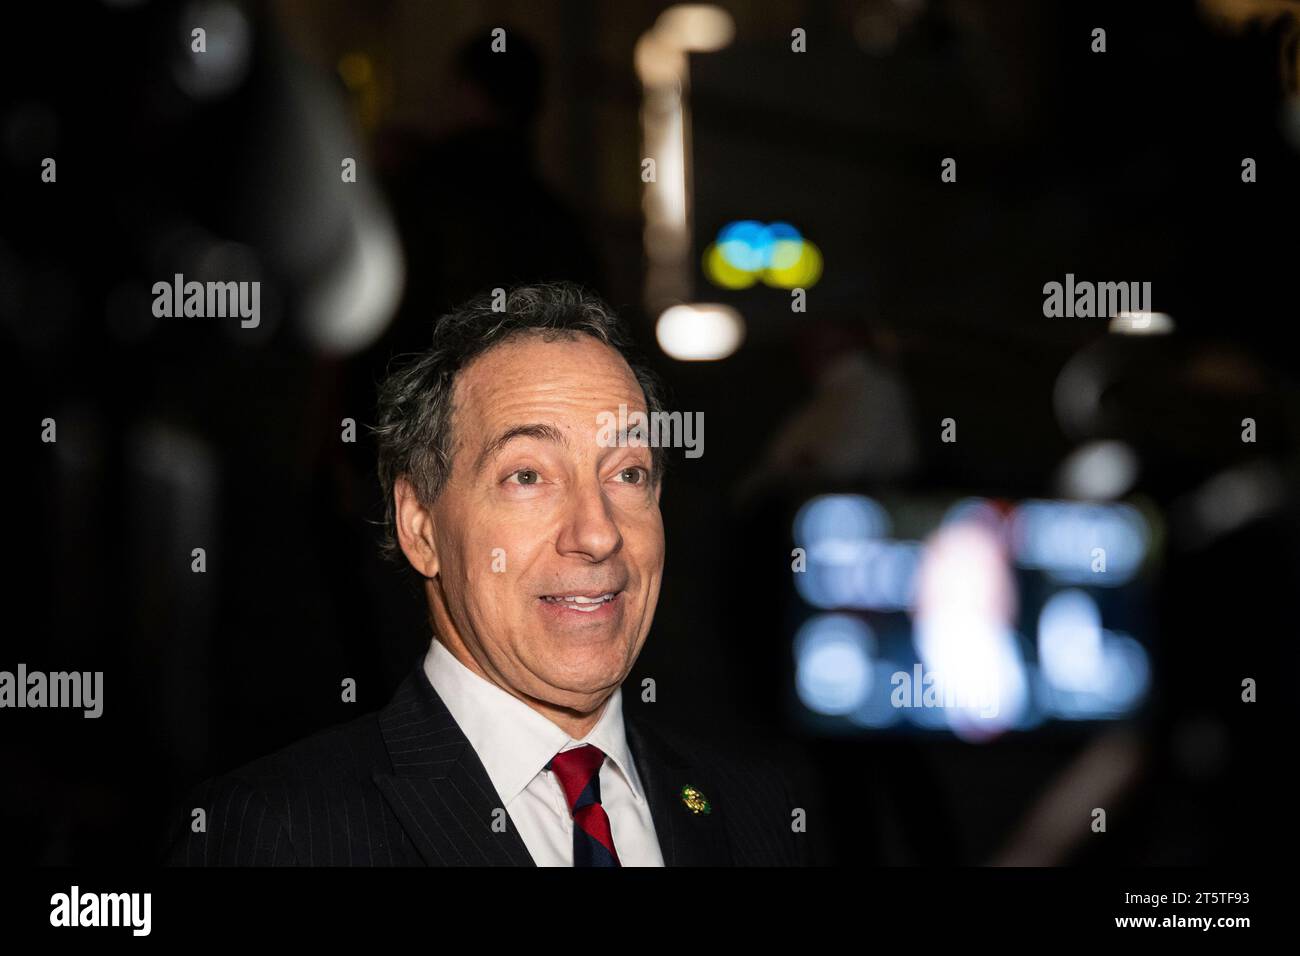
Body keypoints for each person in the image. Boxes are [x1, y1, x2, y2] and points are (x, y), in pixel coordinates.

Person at [164, 282, 822, 866]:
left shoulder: (760, 811)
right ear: (420, 527)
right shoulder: (278, 832)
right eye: (527, 476)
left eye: (628, 473)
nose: (598, 533)